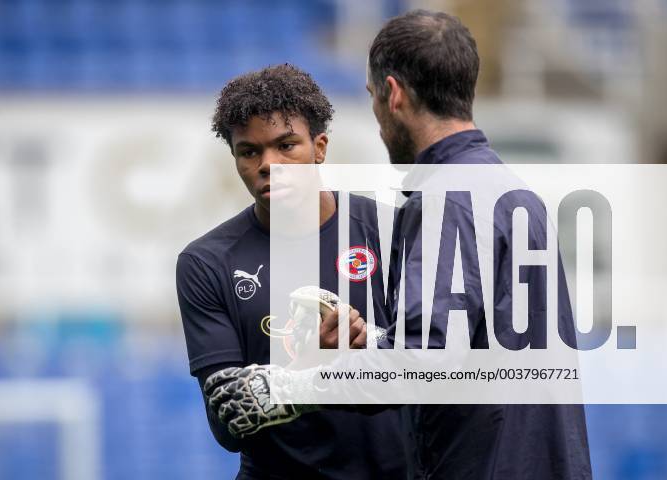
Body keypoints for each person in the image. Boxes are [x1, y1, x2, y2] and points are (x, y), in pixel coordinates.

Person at [205, 10, 593, 479]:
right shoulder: (509, 190)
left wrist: (288, 387)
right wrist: (377, 341)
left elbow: (422, 361)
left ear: (392, 94)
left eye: (371, 98)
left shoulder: (446, 199)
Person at [176, 64, 407, 479]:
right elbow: (227, 424)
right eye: (250, 152)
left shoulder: (395, 232)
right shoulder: (207, 263)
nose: (269, 164)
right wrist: (307, 366)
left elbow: (438, 365)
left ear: (319, 147)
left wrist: (369, 345)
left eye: (286, 146)